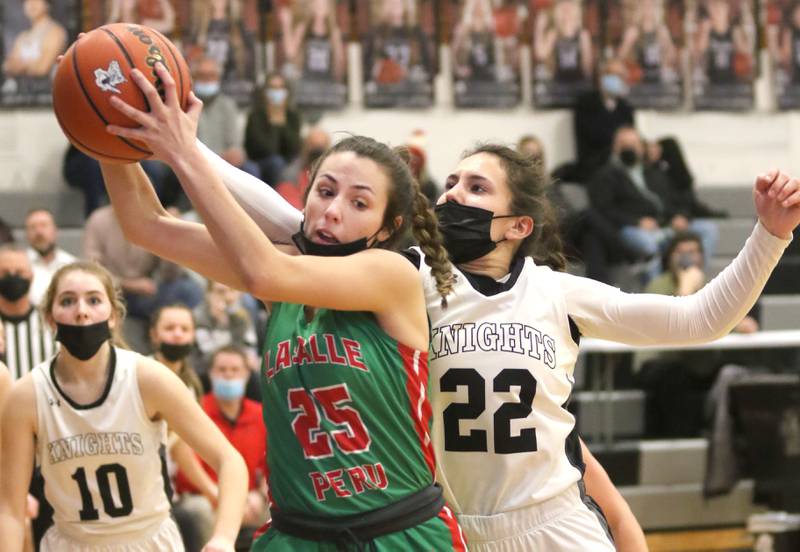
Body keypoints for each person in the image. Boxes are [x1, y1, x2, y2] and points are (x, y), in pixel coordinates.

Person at [204, 134, 800, 550]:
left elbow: (700, 319)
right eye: (451, 183)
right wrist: (187, 147)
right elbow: (293, 224)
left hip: (554, 522)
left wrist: (770, 235)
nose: (453, 195)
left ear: (518, 226)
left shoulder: (558, 293)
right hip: (453, 527)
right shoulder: (407, 276)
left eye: (477, 188)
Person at [100, 63, 467, 550]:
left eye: (359, 204)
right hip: (297, 535)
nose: (332, 210)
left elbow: (262, 272)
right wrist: (103, 124)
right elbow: (144, 225)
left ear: (386, 227)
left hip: (398, 533)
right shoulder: (283, 271)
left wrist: (185, 152)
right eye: (325, 192)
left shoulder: (390, 275)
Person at [0, 261, 248, 551]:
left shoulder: (148, 379)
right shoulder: (27, 396)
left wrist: (223, 538)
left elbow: (230, 461)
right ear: (50, 319)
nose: (81, 311)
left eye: (94, 300)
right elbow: (10, 508)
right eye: (67, 301)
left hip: (149, 542)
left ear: (114, 317)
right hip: (71, 543)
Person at [588, 126, 719, 283]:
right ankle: (656, 289)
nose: (630, 149)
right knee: (647, 243)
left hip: (665, 225)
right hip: (631, 228)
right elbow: (604, 210)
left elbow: (673, 200)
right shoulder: (606, 175)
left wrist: (679, 216)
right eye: (624, 144)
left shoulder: (654, 172)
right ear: (615, 147)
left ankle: (693, 282)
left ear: (642, 147)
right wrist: (637, 222)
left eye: (634, 144)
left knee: (708, 229)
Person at [175, 346, 268, 551]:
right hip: (204, 497)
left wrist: (260, 495)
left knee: (280, 508)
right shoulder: (195, 411)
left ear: (247, 374)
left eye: (235, 370)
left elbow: (271, 463)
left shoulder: (261, 414)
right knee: (197, 511)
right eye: (222, 370)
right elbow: (185, 469)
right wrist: (219, 497)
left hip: (249, 498)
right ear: (210, 374)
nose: (228, 375)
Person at [562, 57, 635, 183]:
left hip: (623, 168)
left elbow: (631, 137)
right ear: (602, 76)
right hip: (594, 168)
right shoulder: (586, 104)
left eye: (622, 76)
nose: (619, 80)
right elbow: (593, 137)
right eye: (615, 75)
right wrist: (617, 144)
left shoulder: (626, 108)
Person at [0, 245, 55, 380]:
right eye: (5, 273)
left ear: (31, 277)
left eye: (20, 272)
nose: (13, 276)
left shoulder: (50, 321)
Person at [244, 73, 302, 187]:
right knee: (274, 162)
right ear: (265, 92)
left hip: (287, 162)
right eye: (273, 88)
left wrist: (282, 123)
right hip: (259, 162)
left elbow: (294, 148)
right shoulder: (255, 116)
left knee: (281, 164)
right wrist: (273, 121)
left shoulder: (293, 116)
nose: (277, 92)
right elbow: (264, 149)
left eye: (280, 88)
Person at [616, 0, 678, 85]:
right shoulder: (633, 31)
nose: (648, 9)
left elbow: (672, 56)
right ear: (639, 8)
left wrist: (666, 47)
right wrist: (627, 43)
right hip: (638, 79)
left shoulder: (661, 30)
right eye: (645, 6)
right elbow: (620, 57)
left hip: (658, 78)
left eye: (651, 6)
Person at [24, 208, 76, 306]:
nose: (39, 232)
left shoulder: (72, 264)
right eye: (33, 227)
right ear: (26, 234)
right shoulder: (19, 266)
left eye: (44, 225)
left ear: (55, 230)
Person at [533, 0, 593, 84]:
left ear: (576, 10)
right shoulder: (554, 34)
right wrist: (539, 27)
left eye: (570, 4)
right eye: (562, 5)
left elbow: (587, 67)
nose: (566, 9)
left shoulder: (583, 35)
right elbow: (541, 54)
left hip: (579, 84)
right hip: (558, 85)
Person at [2, 0, 66, 78]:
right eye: (27, 0)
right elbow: (7, 66)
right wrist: (29, 65)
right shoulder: (23, 36)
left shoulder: (56, 32)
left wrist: (20, 65)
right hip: (21, 85)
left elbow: (42, 68)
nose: (32, 3)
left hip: (46, 85)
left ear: (47, 4)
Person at [275, 127, 331, 209]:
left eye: (321, 147)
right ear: (305, 147)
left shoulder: (336, 176)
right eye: (313, 145)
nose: (317, 152)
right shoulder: (290, 175)